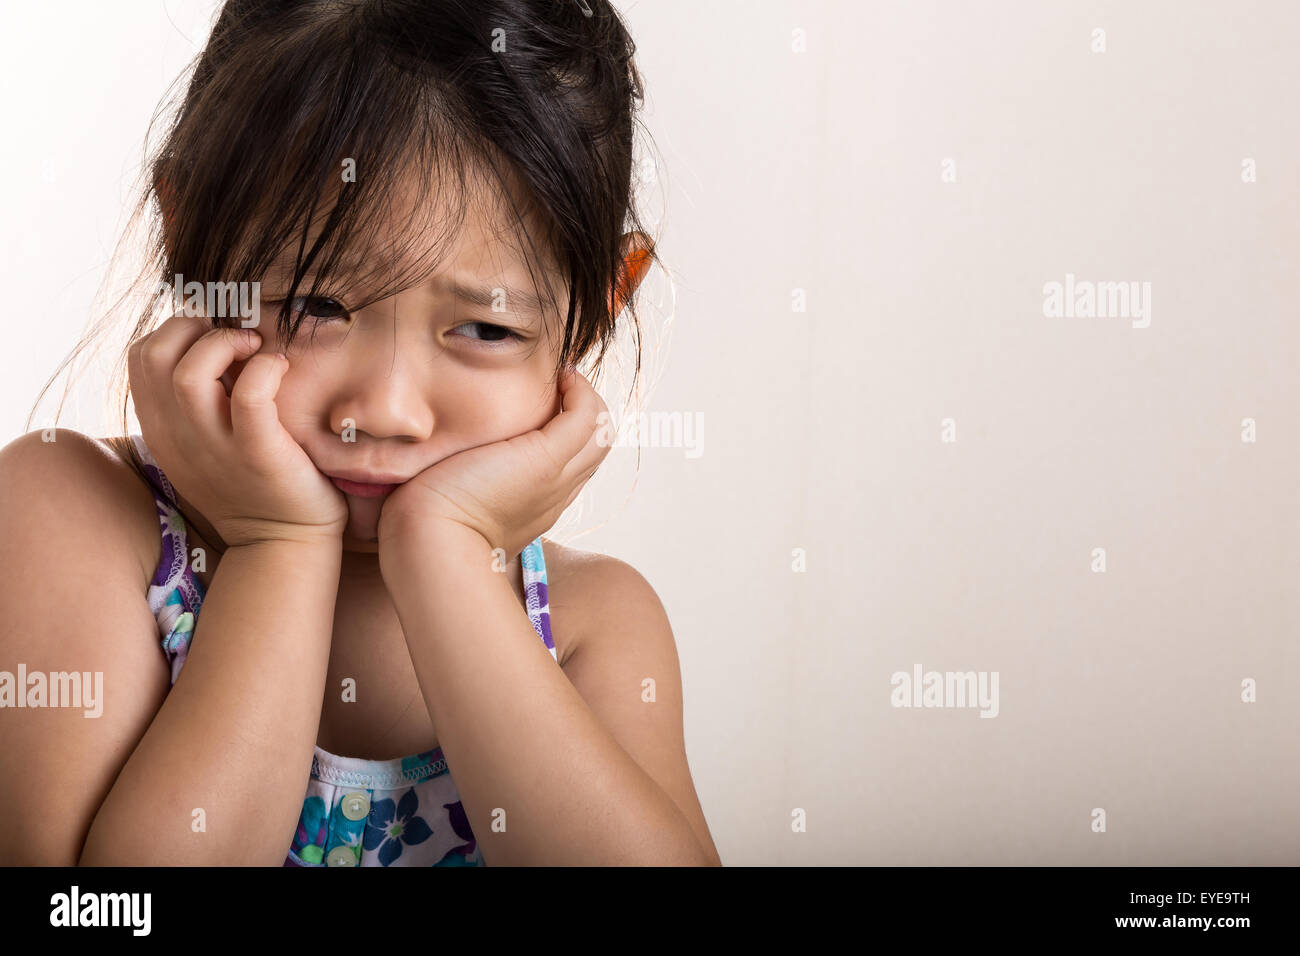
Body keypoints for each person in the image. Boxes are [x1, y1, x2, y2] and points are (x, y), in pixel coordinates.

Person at [0, 0, 720, 867]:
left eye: (485, 330)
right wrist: (279, 547)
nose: (383, 409)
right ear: (188, 240)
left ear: (598, 310)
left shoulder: (591, 628)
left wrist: (447, 561)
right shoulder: (73, 521)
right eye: (314, 307)